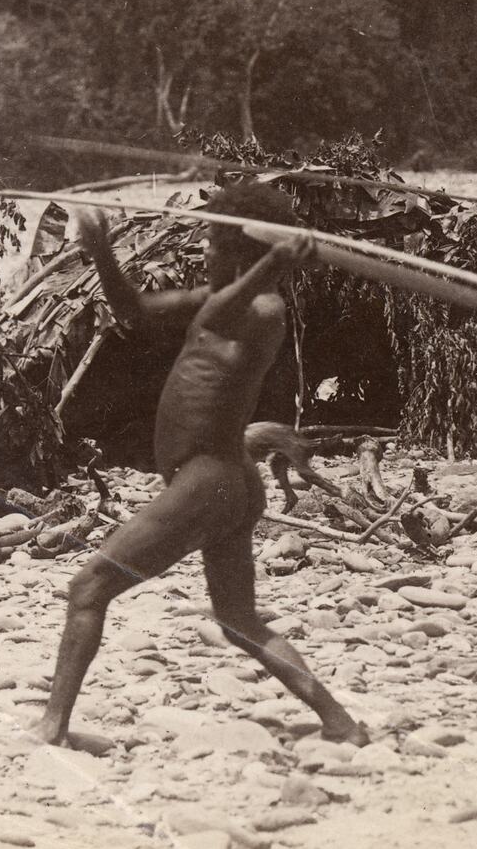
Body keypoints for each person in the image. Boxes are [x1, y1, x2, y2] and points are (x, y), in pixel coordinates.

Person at [30, 182, 368, 747]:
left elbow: (232, 304)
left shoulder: (261, 307)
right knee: (238, 619)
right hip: (227, 482)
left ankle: (51, 726)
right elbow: (131, 311)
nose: (203, 253)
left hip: (210, 481)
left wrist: (274, 263)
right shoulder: (222, 300)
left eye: (211, 242)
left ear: (238, 252)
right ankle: (339, 722)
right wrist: (102, 251)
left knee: (88, 587)